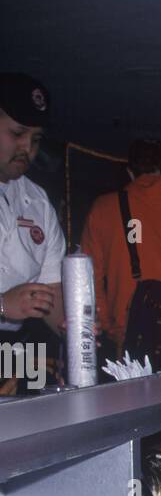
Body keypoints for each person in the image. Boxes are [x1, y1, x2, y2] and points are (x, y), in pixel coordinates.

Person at [80, 138, 161, 369]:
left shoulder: (104, 208)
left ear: (130, 172)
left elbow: (88, 279)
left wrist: (113, 328)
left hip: (129, 341)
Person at [0, 72, 66, 393]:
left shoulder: (38, 202)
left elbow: (51, 294)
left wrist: (74, 331)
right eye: (17, 133)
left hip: (16, 346)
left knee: (40, 424)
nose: (27, 147)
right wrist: (1, 306)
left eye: (36, 139)